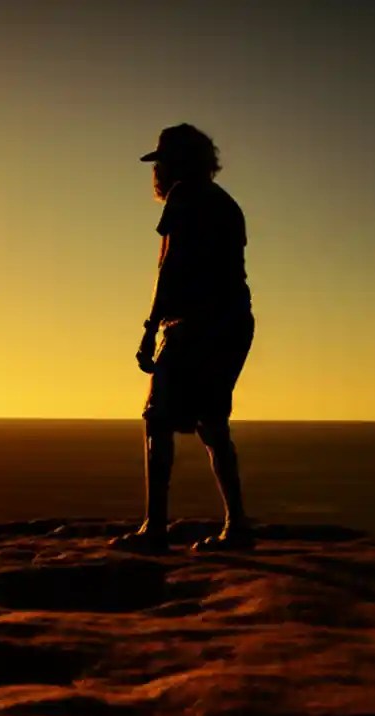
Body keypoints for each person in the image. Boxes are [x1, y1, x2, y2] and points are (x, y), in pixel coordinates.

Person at [113, 123, 256, 553]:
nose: (157, 173)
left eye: (162, 163)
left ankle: (155, 529)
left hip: (194, 323)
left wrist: (149, 327)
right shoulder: (227, 204)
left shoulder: (183, 197)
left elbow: (169, 267)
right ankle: (237, 526)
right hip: (233, 322)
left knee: (157, 417)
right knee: (212, 422)